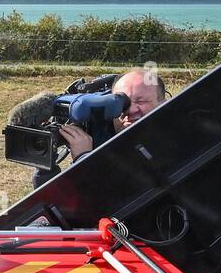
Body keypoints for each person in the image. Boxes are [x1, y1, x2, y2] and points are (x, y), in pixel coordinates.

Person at [30, 67, 167, 189]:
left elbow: (123, 200)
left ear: (163, 103)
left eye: (141, 101)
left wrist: (84, 159)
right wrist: (45, 169)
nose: (130, 110)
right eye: (122, 103)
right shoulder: (105, 135)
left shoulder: (171, 141)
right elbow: (61, 205)